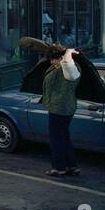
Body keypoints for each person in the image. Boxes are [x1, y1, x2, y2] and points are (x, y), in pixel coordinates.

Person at [41, 46, 82, 178]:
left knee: (56, 139)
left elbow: (69, 68)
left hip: (60, 108)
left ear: (61, 58)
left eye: (54, 59)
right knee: (63, 137)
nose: (51, 62)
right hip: (60, 107)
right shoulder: (58, 68)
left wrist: (68, 53)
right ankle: (72, 166)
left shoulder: (69, 68)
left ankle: (59, 168)